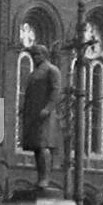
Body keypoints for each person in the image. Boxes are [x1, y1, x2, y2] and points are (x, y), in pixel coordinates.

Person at [19, 44, 62, 190]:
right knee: (37, 147)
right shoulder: (34, 73)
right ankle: (40, 178)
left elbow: (56, 91)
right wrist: (24, 109)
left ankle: (45, 178)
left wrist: (48, 108)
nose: (35, 57)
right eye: (33, 55)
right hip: (33, 114)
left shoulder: (52, 70)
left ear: (44, 55)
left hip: (45, 115)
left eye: (38, 54)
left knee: (44, 146)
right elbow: (30, 94)